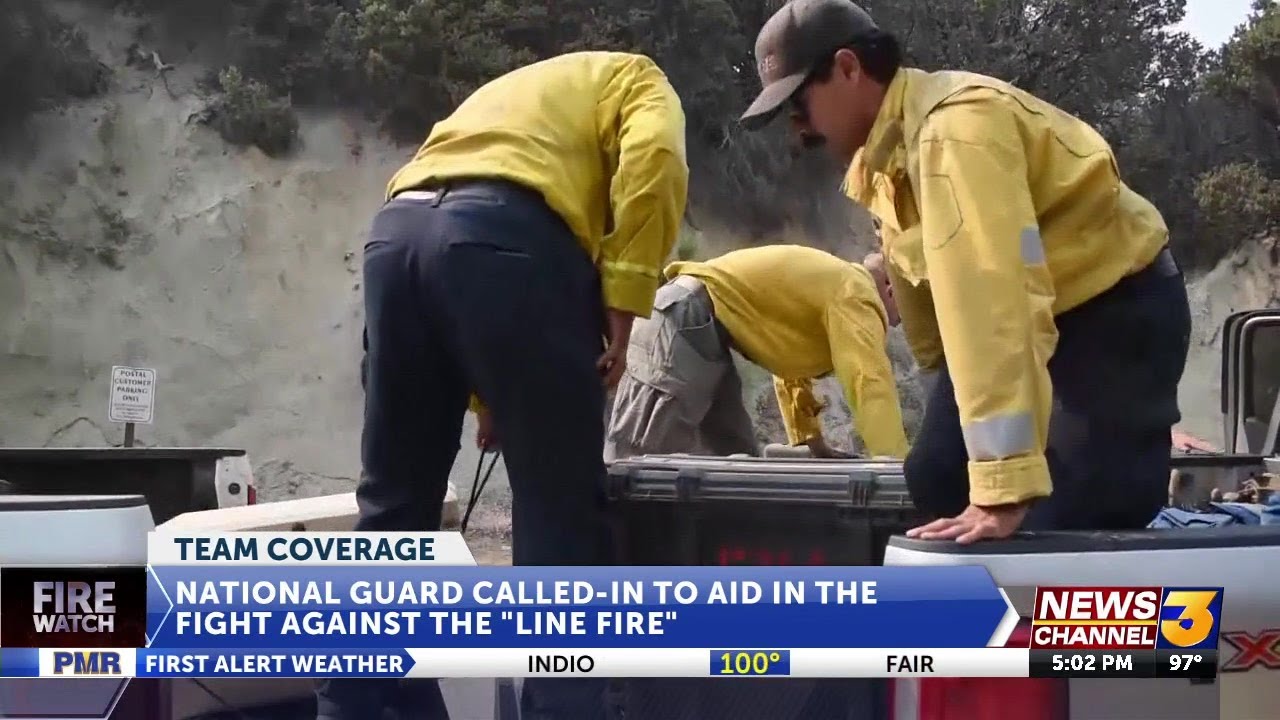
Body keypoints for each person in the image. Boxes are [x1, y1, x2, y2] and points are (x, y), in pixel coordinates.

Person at [321, 51, 688, 720]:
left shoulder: (511, 94)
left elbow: (446, 235)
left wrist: (491, 394)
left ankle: (347, 709)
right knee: (559, 517)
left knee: (392, 514)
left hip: (395, 240)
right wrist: (626, 305)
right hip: (507, 245)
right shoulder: (640, 78)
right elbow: (656, 160)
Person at [740, 0, 1191, 543]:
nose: (796, 129)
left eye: (798, 105)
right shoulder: (886, 156)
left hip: (1112, 311)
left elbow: (994, 305)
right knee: (933, 474)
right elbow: (940, 284)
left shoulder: (955, 134)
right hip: (1040, 312)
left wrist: (1001, 492)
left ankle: (1060, 620)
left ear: (849, 69)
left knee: (1071, 513)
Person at [605, 244, 910, 461]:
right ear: (894, 290)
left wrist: (813, 443)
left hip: (706, 331)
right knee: (639, 462)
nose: (904, 323)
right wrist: (895, 464)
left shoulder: (837, 287)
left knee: (733, 461)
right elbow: (869, 381)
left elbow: (791, 371)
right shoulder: (857, 292)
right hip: (682, 321)